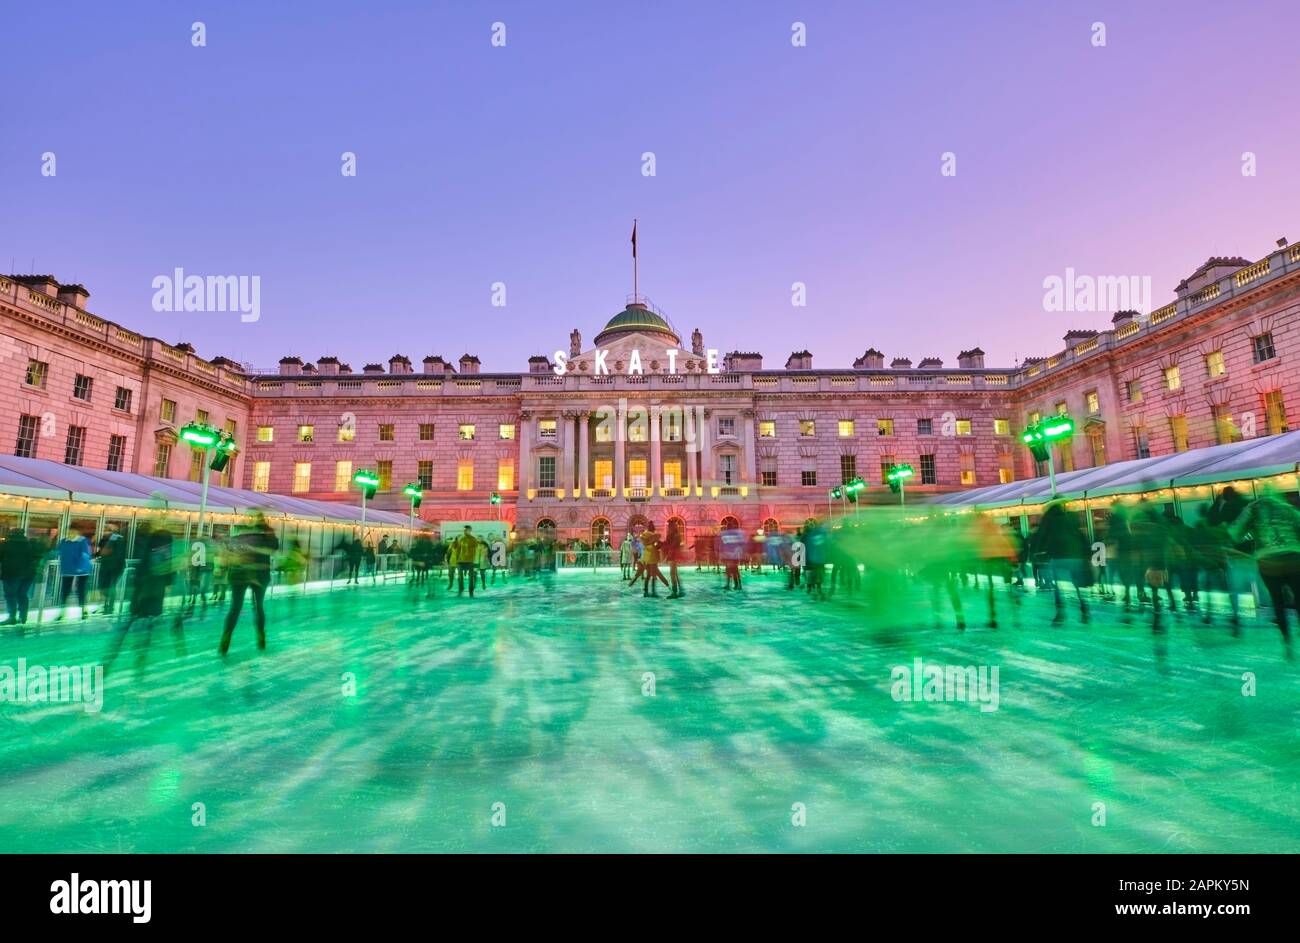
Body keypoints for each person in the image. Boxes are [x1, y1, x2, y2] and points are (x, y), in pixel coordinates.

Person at [1229, 489, 1300, 652]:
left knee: (1278, 600)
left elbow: (1235, 533)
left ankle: (1287, 640)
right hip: (1294, 558)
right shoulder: (1286, 507)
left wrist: (1251, 535)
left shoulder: (1252, 508)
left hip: (1269, 561)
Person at [219, 512, 278, 656]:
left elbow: (272, 548)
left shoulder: (258, 534)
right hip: (246, 575)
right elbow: (229, 552)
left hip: (252, 575)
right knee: (247, 607)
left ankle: (256, 635)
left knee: (248, 607)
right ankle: (229, 637)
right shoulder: (260, 534)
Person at [1030, 502, 1091, 625]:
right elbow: (1081, 535)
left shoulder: (1049, 521)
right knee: (1077, 584)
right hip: (1075, 556)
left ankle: (1060, 613)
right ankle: (1084, 609)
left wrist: (1037, 552)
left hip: (1058, 556)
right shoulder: (1071, 519)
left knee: (1058, 586)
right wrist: (1087, 553)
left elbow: (1041, 537)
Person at [1, 528, 39, 628]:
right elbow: (35, 557)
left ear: (11, 534)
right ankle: (23, 617)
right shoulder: (29, 544)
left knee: (11, 595)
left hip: (11, 574)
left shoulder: (7, 544)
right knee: (22, 594)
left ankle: (12, 617)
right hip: (28, 575)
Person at [55, 524, 93, 621]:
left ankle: (84, 611)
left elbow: (85, 555)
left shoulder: (82, 541)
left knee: (81, 590)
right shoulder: (64, 541)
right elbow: (57, 552)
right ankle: (62, 612)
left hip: (82, 571)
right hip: (67, 570)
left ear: (77, 532)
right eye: (69, 531)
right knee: (65, 591)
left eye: (73, 531)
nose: (70, 533)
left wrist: (80, 567)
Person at [96, 522, 128, 615]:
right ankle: (107, 605)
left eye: (106, 530)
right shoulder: (108, 539)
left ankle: (110, 606)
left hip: (113, 566)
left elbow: (118, 554)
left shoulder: (117, 539)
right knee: (107, 585)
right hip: (109, 565)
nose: (104, 531)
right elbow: (101, 549)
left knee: (111, 586)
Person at [639, 522, 669, 597]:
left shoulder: (644, 536)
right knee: (654, 575)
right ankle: (653, 591)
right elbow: (657, 545)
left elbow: (646, 545)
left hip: (646, 557)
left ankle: (646, 591)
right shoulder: (653, 537)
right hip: (652, 557)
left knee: (648, 575)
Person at [451, 525, 480, 597]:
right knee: (460, 577)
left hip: (470, 561)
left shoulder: (473, 539)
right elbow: (456, 549)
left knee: (471, 577)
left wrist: (476, 561)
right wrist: (455, 541)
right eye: (464, 530)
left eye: (466, 530)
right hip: (461, 561)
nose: (464, 531)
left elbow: (476, 550)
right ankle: (461, 589)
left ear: (470, 530)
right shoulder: (461, 539)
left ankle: (471, 591)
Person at [663, 520, 685, 598]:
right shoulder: (674, 535)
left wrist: (668, 555)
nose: (668, 528)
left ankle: (675, 592)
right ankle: (681, 590)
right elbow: (669, 545)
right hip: (674, 555)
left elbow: (672, 546)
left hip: (674, 555)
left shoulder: (675, 535)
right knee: (675, 573)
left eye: (669, 526)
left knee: (672, 573)